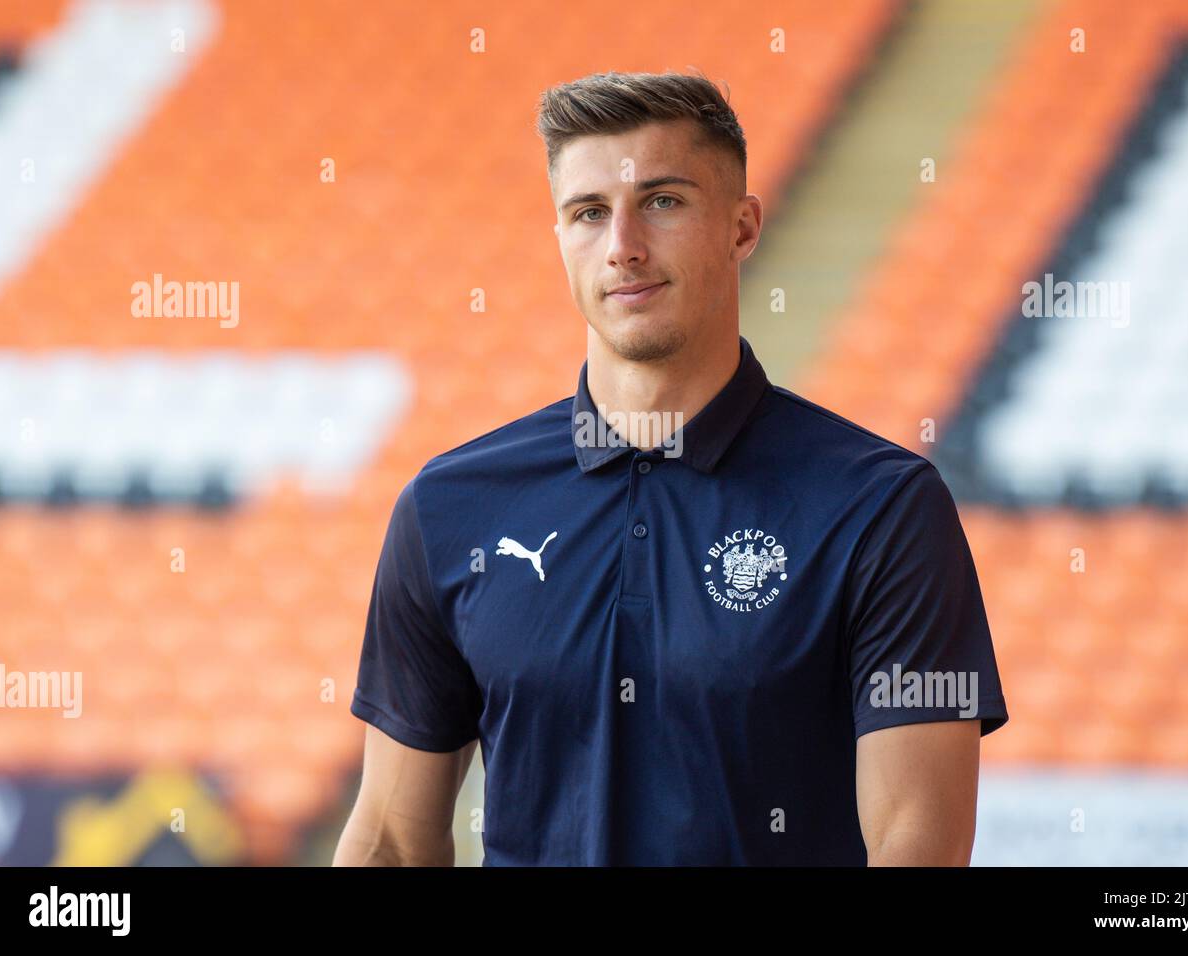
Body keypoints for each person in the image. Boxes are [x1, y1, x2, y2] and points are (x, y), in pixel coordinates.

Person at [334, 70, 1008, 867]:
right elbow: (389, 838)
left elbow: (917, 843)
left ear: (743, 226)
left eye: (662, 201)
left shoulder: (882, 507)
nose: (622, 246)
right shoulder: (448, 508)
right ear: (560, 239)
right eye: (589, 213)